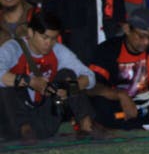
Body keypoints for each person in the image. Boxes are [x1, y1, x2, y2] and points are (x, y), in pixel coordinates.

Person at [0, 11, 99, 141]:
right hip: (13, 119)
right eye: (44, 37)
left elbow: (89, 76)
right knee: (7, 82)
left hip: (44, 117)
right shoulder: (13, 48)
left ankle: (87, 124)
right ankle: (25, 130)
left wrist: (68, 89)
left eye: (53, 38)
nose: (49, 43)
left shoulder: (58, 50)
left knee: (68, 76)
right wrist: (29, 81)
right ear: (30, 33)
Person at [87, 8, 149, 130]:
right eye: (141, 36)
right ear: (127, 29)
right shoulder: (108, 49)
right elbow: (91, 85)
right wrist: (120, 95)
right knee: (99, 104)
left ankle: (147, 121)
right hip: (118, 103)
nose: (146, 42)